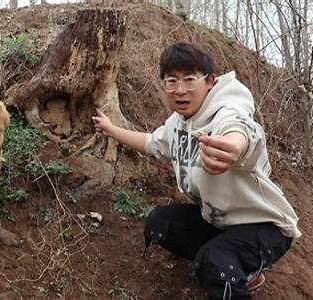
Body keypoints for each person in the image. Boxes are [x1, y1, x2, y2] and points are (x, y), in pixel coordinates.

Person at [92, 42, 300, 300]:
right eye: (171, 80)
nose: (180, 90)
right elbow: (151, 143)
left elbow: (242, 127)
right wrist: (111, 129)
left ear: (210, 81)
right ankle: (234, 265)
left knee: (214, 263)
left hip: (265, 227)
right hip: (221, 222)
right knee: (161, 224)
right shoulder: (178, 123)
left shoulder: (226, 110)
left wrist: (233, 146)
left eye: (190, 80)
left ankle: (228, 266)